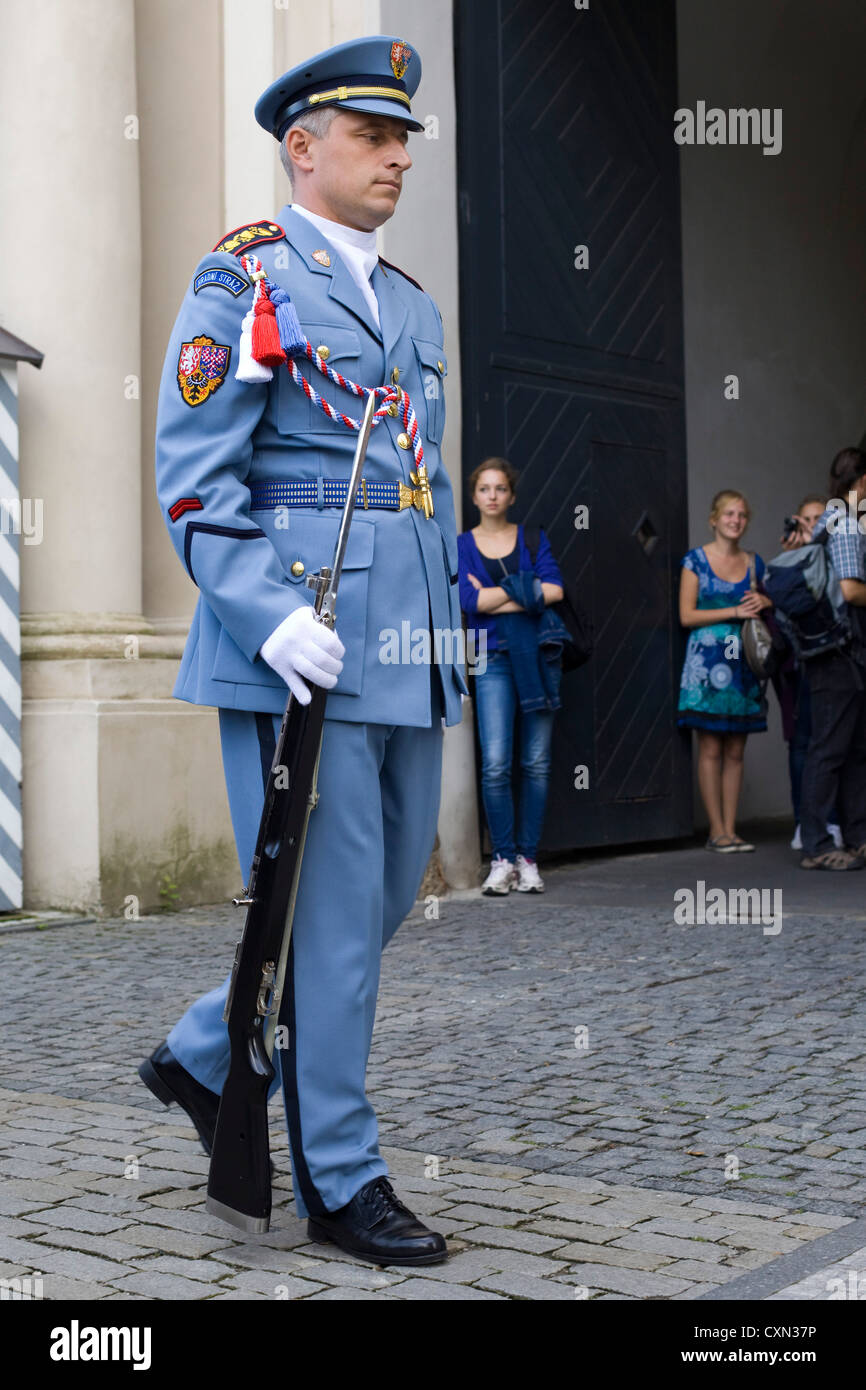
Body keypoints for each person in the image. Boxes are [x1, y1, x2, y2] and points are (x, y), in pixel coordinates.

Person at [138, 36, 470, 1267]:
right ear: (303, 147)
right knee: (327, 919)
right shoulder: (243, 280)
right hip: (299, 637)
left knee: (383, 899)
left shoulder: (412, 304)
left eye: (403, 141)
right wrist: (266, 613)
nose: (394, 157)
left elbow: (416, 483)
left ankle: (198, 1050)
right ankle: (342, 1174)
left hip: (403, 638)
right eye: (373, 137)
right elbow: (195, 476)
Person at [458, 459, 566, 894]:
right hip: (491, 659)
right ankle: (502, 860)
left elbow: (556, 591)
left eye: (500, 488)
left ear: (512, 496)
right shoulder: (464, 544)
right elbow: (469, 601)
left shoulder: (532, 538)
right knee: (496, 764)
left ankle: (529, 859)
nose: (492, 496)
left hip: (539, 659)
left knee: (536, 763)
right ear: (474, 496)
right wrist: (525, 591)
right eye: (484, 488)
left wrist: (494, 597)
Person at [677, 490, 772, 852]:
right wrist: (733, 613)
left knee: (736, 750)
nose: (736, 520)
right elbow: (687, 616)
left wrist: (766, 600)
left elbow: (768, 607)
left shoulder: (754, 564)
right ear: (713, 519)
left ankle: (732, 829)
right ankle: (716, 831)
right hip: (706, 666)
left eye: (742, 515)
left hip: (742, 665)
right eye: (729, 514)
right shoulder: (695, 562)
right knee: (711, 748)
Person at [798, 448, 866, 870]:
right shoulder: (843, 524)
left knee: (856, 748)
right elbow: (851, 590)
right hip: (836, 653)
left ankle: (859, 836)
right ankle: (818, 843)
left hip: (846, 651)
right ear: (861, 483)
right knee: (829, 748)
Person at [773, 495, 842, 849]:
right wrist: (792, 556)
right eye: (806, 519)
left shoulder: (837, 550)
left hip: (831, 658)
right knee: (801, 743)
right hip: (796, 665)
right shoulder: (790, 559)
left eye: (819, 519)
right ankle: (805, 822)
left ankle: (833, 820)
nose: (812, 524)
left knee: (833, 741)